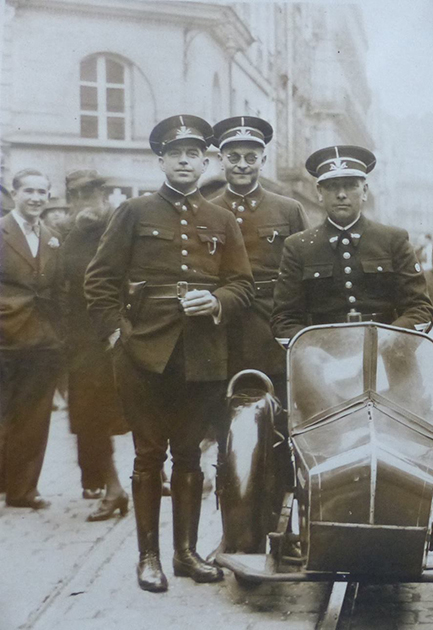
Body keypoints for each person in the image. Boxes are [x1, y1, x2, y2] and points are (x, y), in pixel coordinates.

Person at [85, 115, 255, 592]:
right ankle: (148, 558)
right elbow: (99, 281)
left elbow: (243, 285)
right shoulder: (135, 212)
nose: (185, 161)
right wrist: (117, 336)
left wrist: (218, 301)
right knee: (147, 456)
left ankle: (185, 553)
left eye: (194, 154)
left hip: (200, 353)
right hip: (143, 352)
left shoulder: (222, 218)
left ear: (206, 161)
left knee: (188, 457)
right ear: (161, 160)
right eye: (175, 153)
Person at [271, 145, 433, 339]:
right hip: (324, 360)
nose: (341, 194)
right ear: (319, 192)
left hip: (388, 356)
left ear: (364, 191)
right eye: (332, 186)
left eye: (350, 185)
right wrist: (314, 353)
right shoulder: (298, 246)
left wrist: (388, 340)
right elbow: (284, 318)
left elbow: (421, 309)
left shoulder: (393, 240)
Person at [208, 116, 306, 401]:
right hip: (223, 327)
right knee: (224, 415)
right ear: (221, 160)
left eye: (251, 157)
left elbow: (306, 270)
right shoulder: (205, 211)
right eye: (233, 157)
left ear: (263, 162)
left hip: (272, 326)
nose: (242, 164)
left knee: (280, 409)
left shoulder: (288, 210)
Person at [60, 168, 130, 521]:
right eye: (77, 196)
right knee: (91, 416)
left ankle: (155, 475)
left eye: (90, 194)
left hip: (121, 333)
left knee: (141, 410)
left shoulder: (117, 227)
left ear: (104, 195)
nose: (84, 202)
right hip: (83, 342)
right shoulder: (68, 233)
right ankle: (112, 485)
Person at [0, 168, 62, 510]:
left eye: (42, 192)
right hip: (4, 335)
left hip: (42, 339)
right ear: (14, 193)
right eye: (29, 191)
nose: (36, 198)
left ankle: (22, 491)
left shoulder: (53, 236)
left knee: (35, 416)